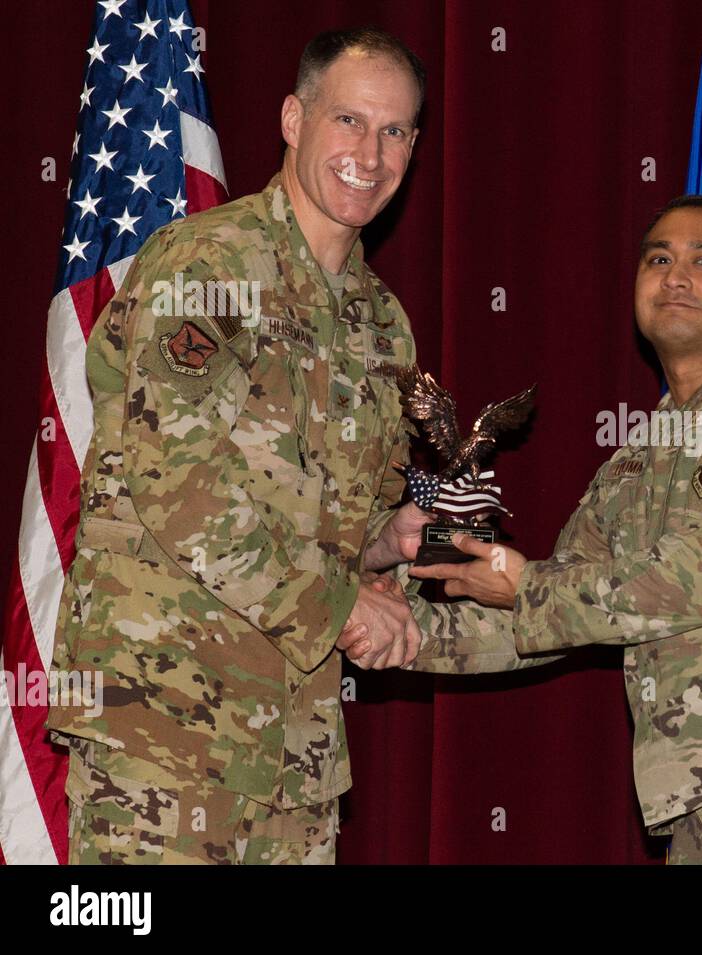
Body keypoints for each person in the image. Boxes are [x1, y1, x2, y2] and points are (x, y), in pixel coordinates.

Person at [348, 195, 702, 864]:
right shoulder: (638, 458)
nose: (675, 275)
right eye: (658, 259)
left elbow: (697, 574)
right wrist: (396, 627)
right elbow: (553, 607)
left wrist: (524, 585)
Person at [47, 28, 450, 864]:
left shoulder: (382, 325)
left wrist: (388, 542)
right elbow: (177, 485)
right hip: (163, 733)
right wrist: (343, 607)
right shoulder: (213, 266)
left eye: (395, 131)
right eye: (348, 120)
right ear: (294, 119)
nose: (369, 154)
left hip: (292, 754)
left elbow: (331, 523)